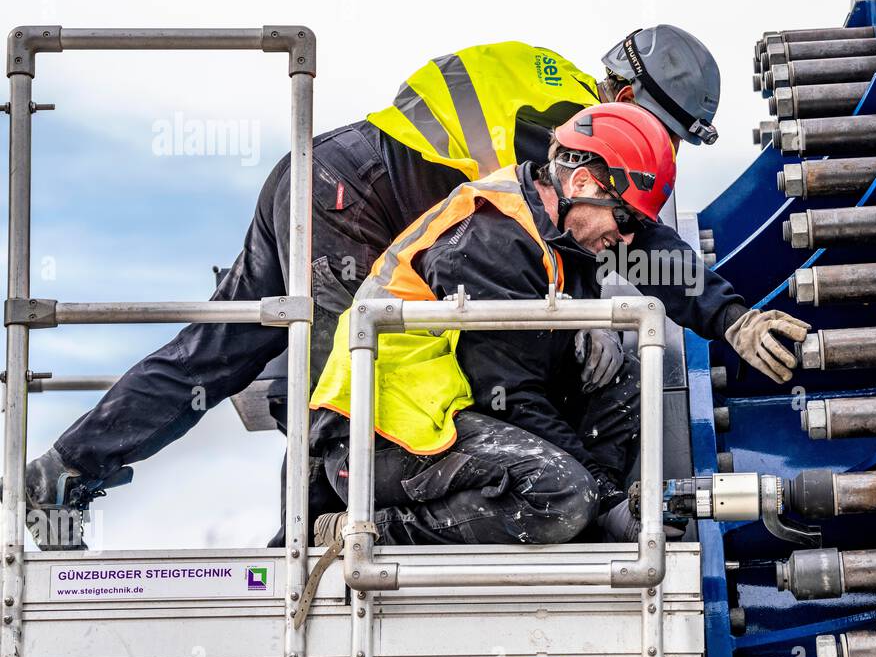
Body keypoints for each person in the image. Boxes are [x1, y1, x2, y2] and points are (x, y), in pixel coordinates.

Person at [20, 27, 810, 545]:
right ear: (630, 102)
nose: (656, 162)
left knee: (215, 354)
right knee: (346, 398)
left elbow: (600, 236)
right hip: (347, 206)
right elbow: (614, 233)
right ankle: (300, 555)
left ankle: (63, 471)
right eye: (662, 137)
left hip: (319, 179)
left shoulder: (541, 79)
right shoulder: (567, 121)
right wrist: (727, 318)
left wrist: (705, 312)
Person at [309, 103, 677, 545]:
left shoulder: (551, 231)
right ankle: (364, 531)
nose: (628, 238)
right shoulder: (493, 239)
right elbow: (509, 395)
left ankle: (592, 517)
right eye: (625, 219)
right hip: (380, 435)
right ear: (581, 182)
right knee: (563, 495)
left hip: (449, 410)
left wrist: (734, 320)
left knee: (623, 377)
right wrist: (600, 495)